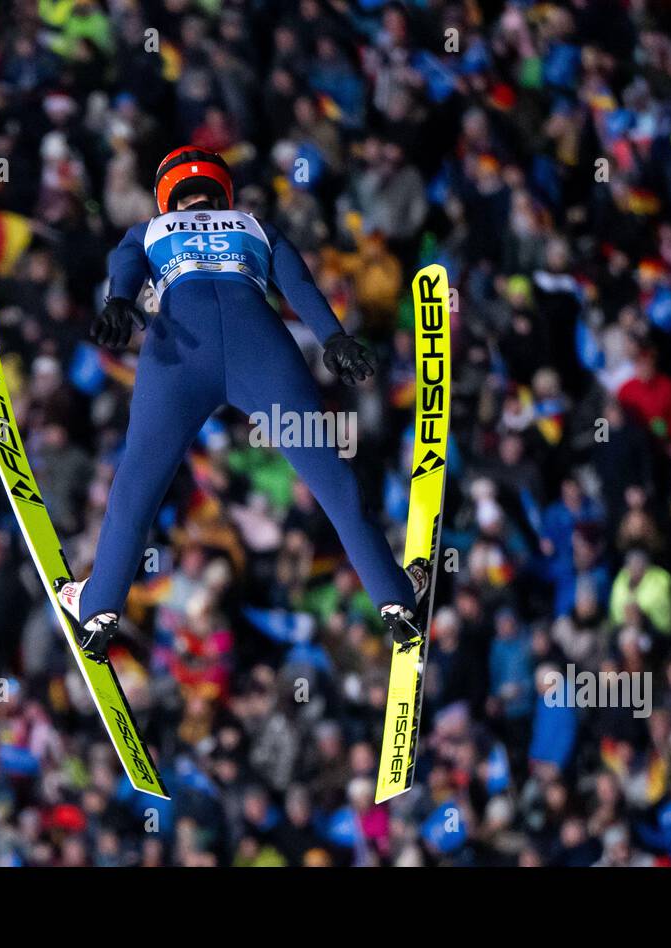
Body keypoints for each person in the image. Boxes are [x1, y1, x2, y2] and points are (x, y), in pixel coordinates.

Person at [53, 147, 424, 658]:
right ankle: (395, 599)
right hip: (263, 353)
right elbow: (299, 283)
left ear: (166, 195)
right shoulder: (253, 225)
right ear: (222, 189)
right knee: (333, 482)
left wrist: (118, 301)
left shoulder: (150, 230)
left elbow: (124, 263)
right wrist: (334, 337)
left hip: (179, 354)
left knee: (136, 487)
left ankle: (99, 607)